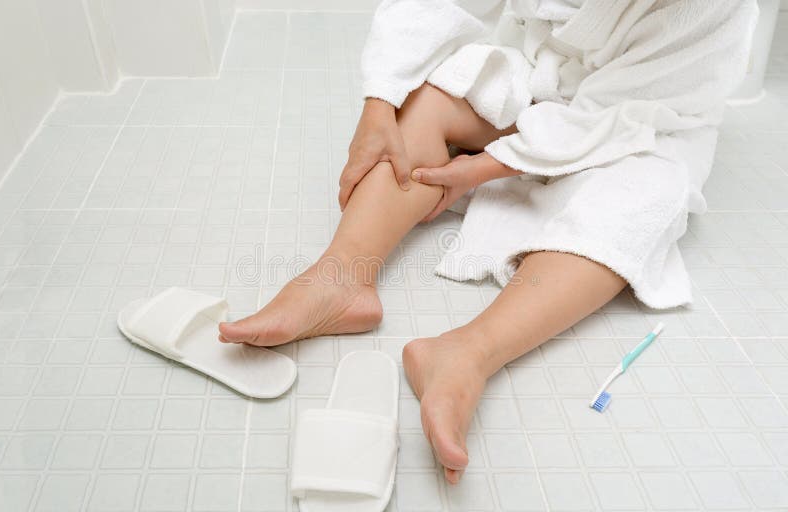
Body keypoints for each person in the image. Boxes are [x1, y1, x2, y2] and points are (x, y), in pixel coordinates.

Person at [218, 0, 758, 484]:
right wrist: (379, 104)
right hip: (552, 80)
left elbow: (624, 110)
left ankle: (465, 354)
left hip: (645, 121)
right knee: (438, 90)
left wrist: (488, 167)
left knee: (647, 199)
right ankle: (340, 278)